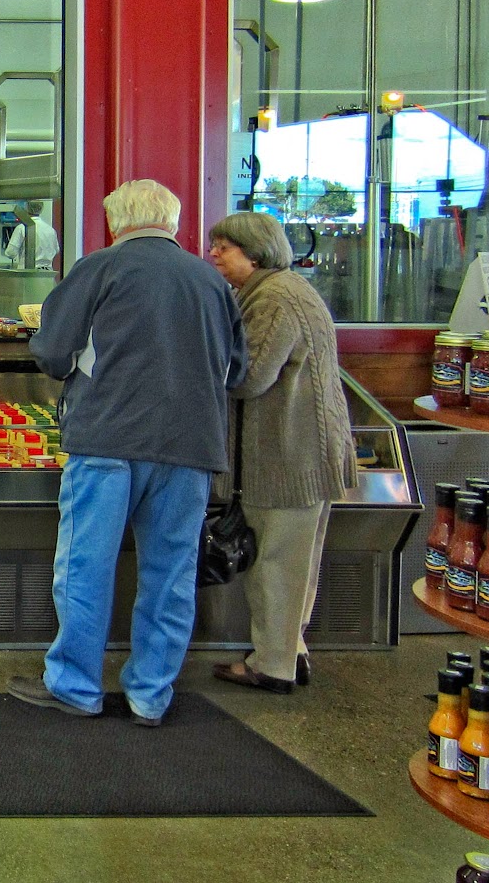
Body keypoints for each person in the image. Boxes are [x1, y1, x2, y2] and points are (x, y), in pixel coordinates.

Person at [8, 179, 247, 726]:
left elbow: (50, 349)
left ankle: (75, 685)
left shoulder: (100, 267)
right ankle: (150, 694)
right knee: (171, 572)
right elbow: (237, 370)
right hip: (190, 446)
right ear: (174, 222)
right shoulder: (212, 282)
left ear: (116, 222)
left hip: (107, 441)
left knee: (85, 565)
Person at [205, 212, 356, 695]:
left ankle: (271, 665)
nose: (213, 254)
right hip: (307, 454)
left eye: (223, 247)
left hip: (289, 457)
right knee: (294, 563)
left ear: (255, 253)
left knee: (276, 564)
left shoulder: (272, 298)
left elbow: (251, 377)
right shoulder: (285, 290)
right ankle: (291, 653)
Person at [5, 200, 60, 270]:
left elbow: (10, 253)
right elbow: (56, 250)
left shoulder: (22, 227)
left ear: (26, 208)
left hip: (27, 273)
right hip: (47, 273)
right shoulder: (51, 230)